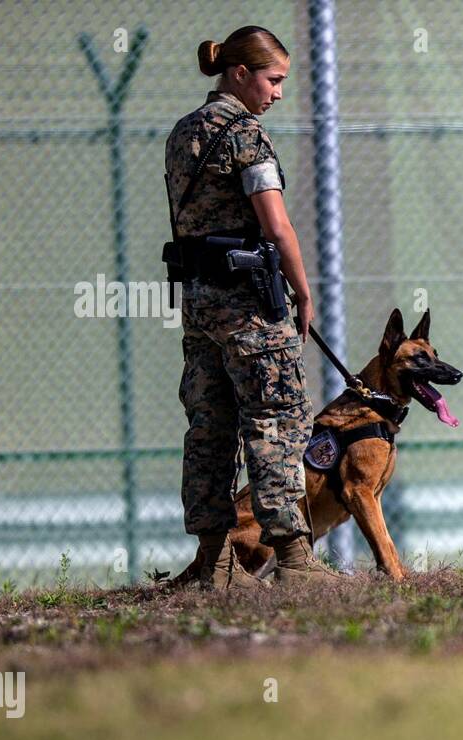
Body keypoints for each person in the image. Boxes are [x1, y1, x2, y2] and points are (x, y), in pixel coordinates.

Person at [166, 24, 343, 589]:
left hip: (198, 305)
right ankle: (294, 561)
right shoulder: (245, 137)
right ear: (239, 73)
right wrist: (304, 289)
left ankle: (214, 564)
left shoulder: (182, 133)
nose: (278, 92)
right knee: (277, 419)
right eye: (273, 79)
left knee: (210, 428)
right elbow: (276, 224)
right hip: (248, 308)